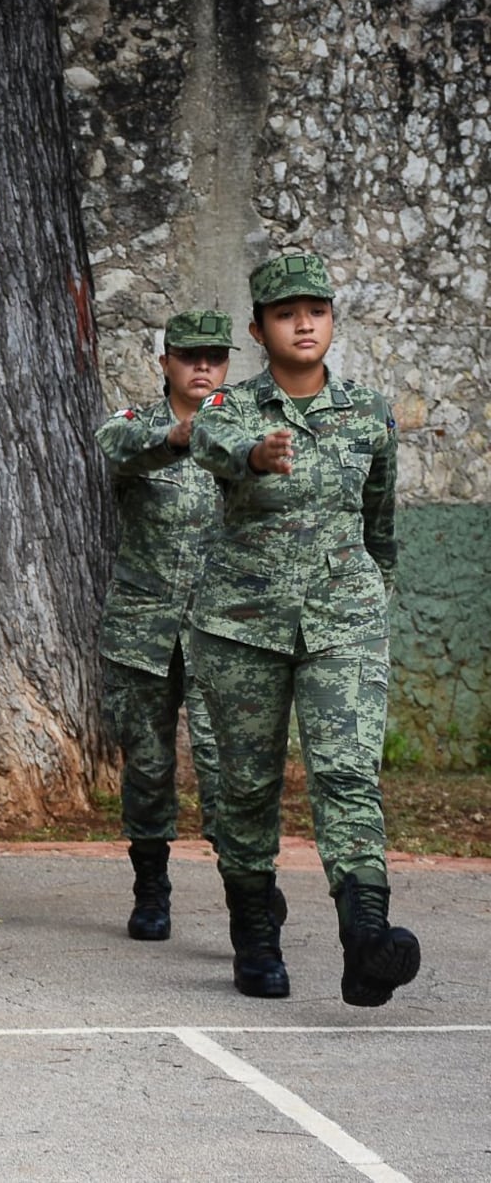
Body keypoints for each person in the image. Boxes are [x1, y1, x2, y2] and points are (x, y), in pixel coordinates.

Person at [189, 253, 420, 1006]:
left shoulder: (368, 412)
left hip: (343, 625)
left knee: (347, 774)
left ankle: (366, 938)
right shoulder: (231, 410)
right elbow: (212, 448)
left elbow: (379, 522)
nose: (304, 323)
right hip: (241, 629)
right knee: (247, 789)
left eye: (315, 309)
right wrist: (257, 457)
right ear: (260, 329)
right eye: (287, 313)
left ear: (330, 319)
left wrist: (370, 598)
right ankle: (256, 935)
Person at [95, 309, 236, 941]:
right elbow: (113, 448)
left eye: (214, 356)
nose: (202, 366)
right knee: (148, 767)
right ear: (166, 364)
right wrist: (177, 438)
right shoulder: (136, 426)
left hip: (224, 630)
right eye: (189, 356)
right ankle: (151, 890)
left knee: (228, 766)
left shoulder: (251, 427)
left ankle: (247, 898)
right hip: (142, 629)